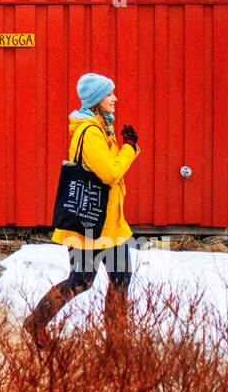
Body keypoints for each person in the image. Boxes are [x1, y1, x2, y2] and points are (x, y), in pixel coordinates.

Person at [23, 73, 141, 348]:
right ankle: (36, 323)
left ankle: (116, 344)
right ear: (96, 99)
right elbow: (110, 173)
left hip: (111, 226)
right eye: (110, 93)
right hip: (90, 225)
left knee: (121, 279)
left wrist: (126, 147)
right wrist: (129, 150)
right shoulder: (89, 132)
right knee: (81, 281)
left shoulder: (102, 128)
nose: (115, 98)